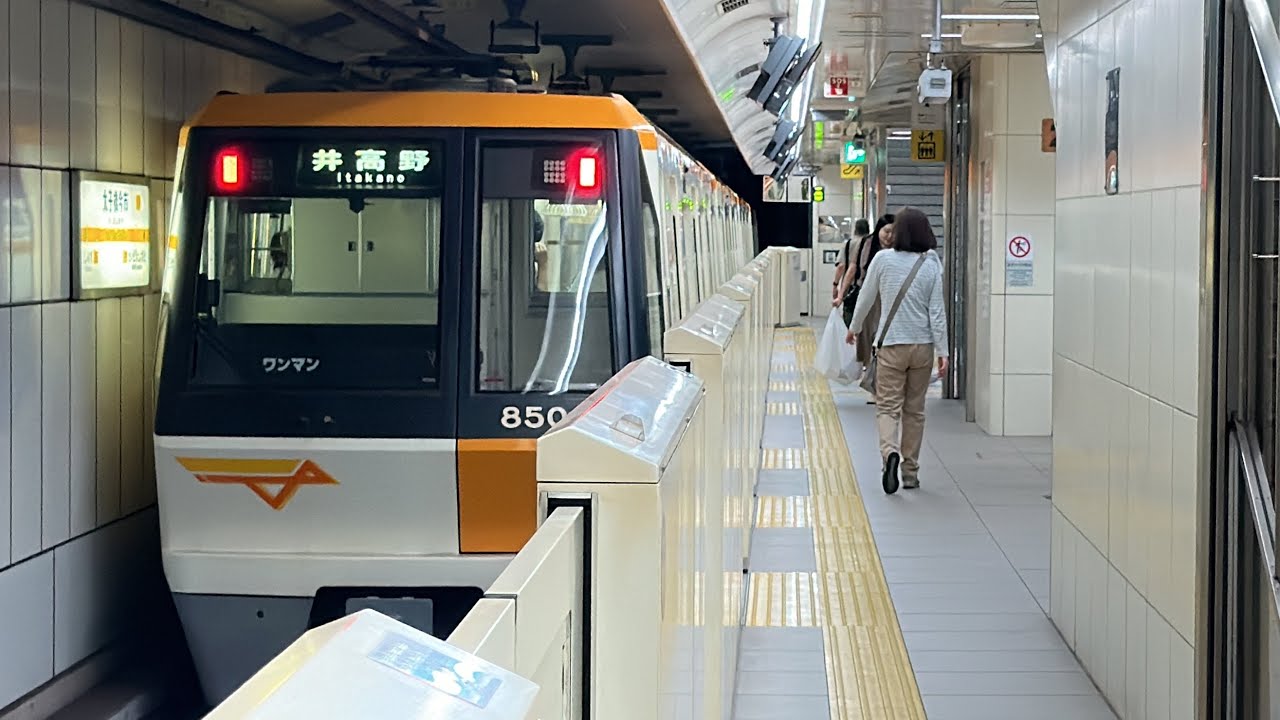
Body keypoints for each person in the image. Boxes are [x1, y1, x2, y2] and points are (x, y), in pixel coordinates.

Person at [846, 207, 948, 494]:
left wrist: (853, 328)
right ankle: (911, 472)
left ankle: (889, 453)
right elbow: (937, 311)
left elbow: (865, 297)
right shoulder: (931, 263)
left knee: (888, 408)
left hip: (891, 345)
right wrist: (944, 351)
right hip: (923, 348)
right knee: (914, 411)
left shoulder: (882, 259)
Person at [834, 214, 894, 402]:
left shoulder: (900, 248)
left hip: (890, 297)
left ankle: (881, 385)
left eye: (893, 232)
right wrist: (840, 294)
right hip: (867, 294)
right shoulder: (865, 244)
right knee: (868, 340)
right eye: (886, 231)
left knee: (884, 340)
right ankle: (874, 386)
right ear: (878, 230)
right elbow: (852, 268)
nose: (889, 236)